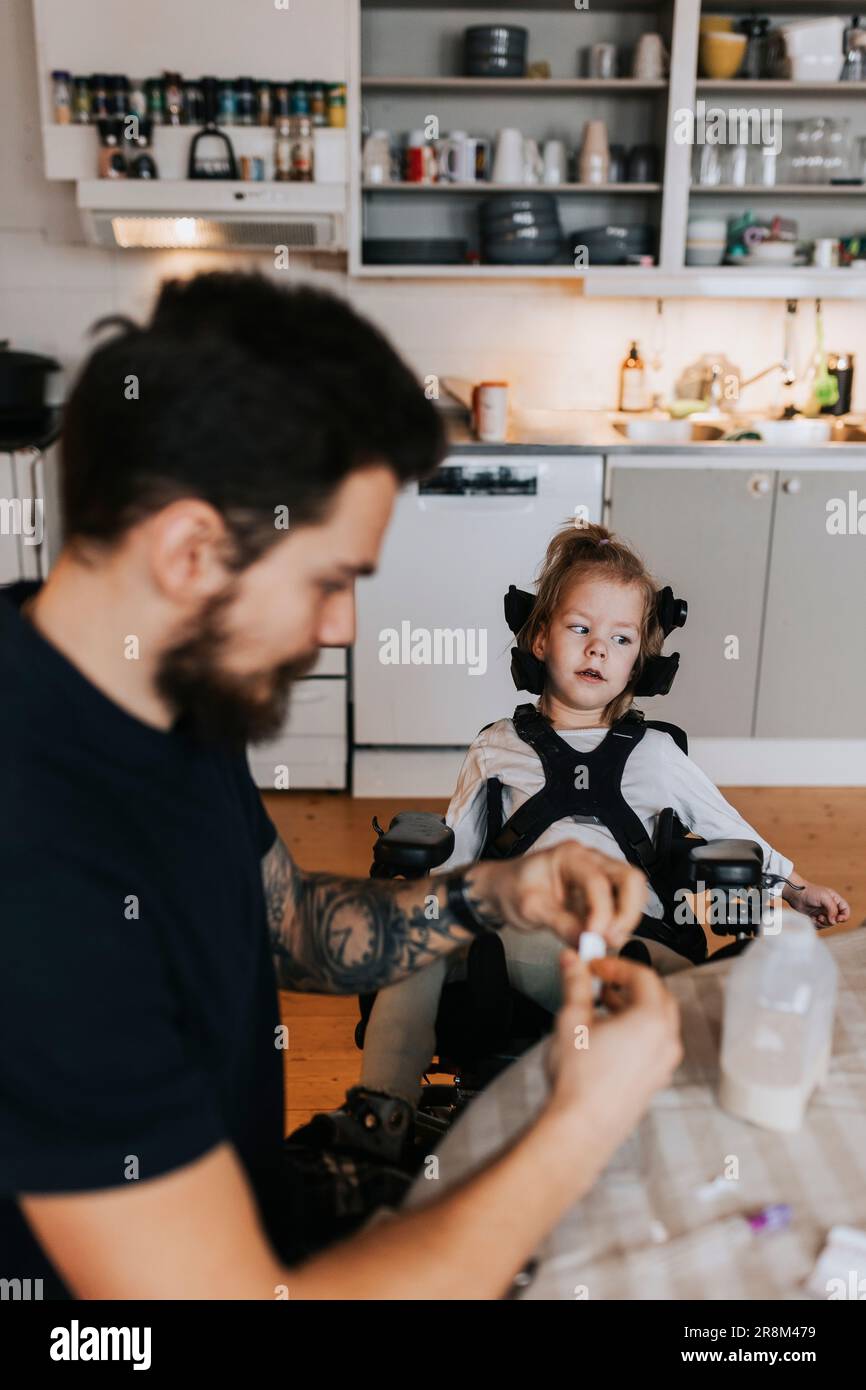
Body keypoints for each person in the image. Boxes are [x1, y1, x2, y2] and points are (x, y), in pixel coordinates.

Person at [0, 272, 681, 1301]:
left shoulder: (145, 686)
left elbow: (289, 926)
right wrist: (578, 1119)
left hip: (250, 1208)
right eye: (328, 579)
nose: (343, 628)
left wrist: (496, 892)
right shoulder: (39, 869)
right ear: (189, 549)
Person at [361, 521, 850, 1108]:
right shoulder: (496, 747)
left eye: (621, 639)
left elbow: (730, 832)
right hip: (510, 931)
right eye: (580, 628)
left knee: (718, 991)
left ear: (638, 661)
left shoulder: (656, 756)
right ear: (539, 639)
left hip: (628, 940)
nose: (598, 647)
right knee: (411, 955)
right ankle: (378, 1116)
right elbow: (457, 857)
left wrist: (794, 888)